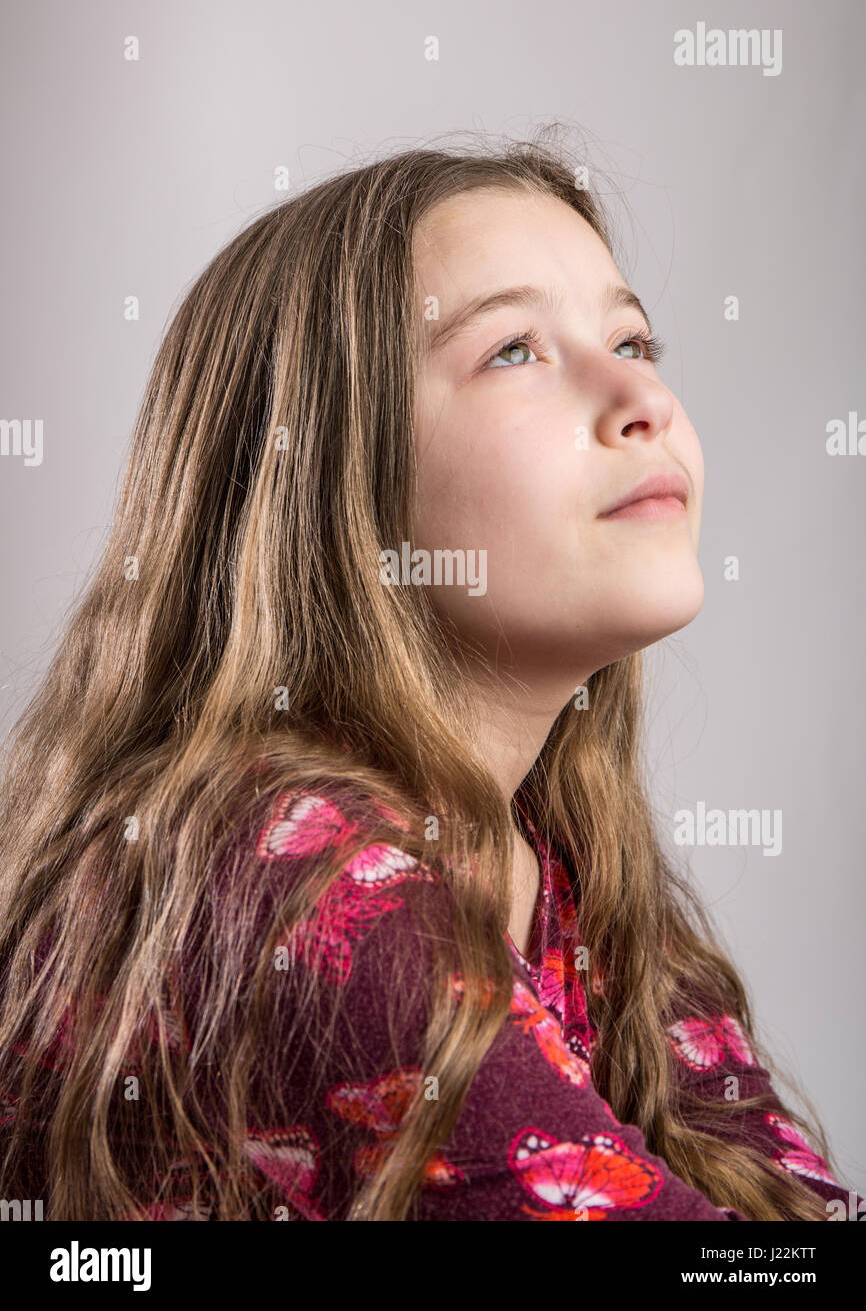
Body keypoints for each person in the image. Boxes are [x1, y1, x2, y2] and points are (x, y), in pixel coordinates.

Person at [0, 130, 853, 1220]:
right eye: (513, 351)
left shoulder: (560, 859)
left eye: (631, 338)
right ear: (328, 478)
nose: (639, 395)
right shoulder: (302, 880)